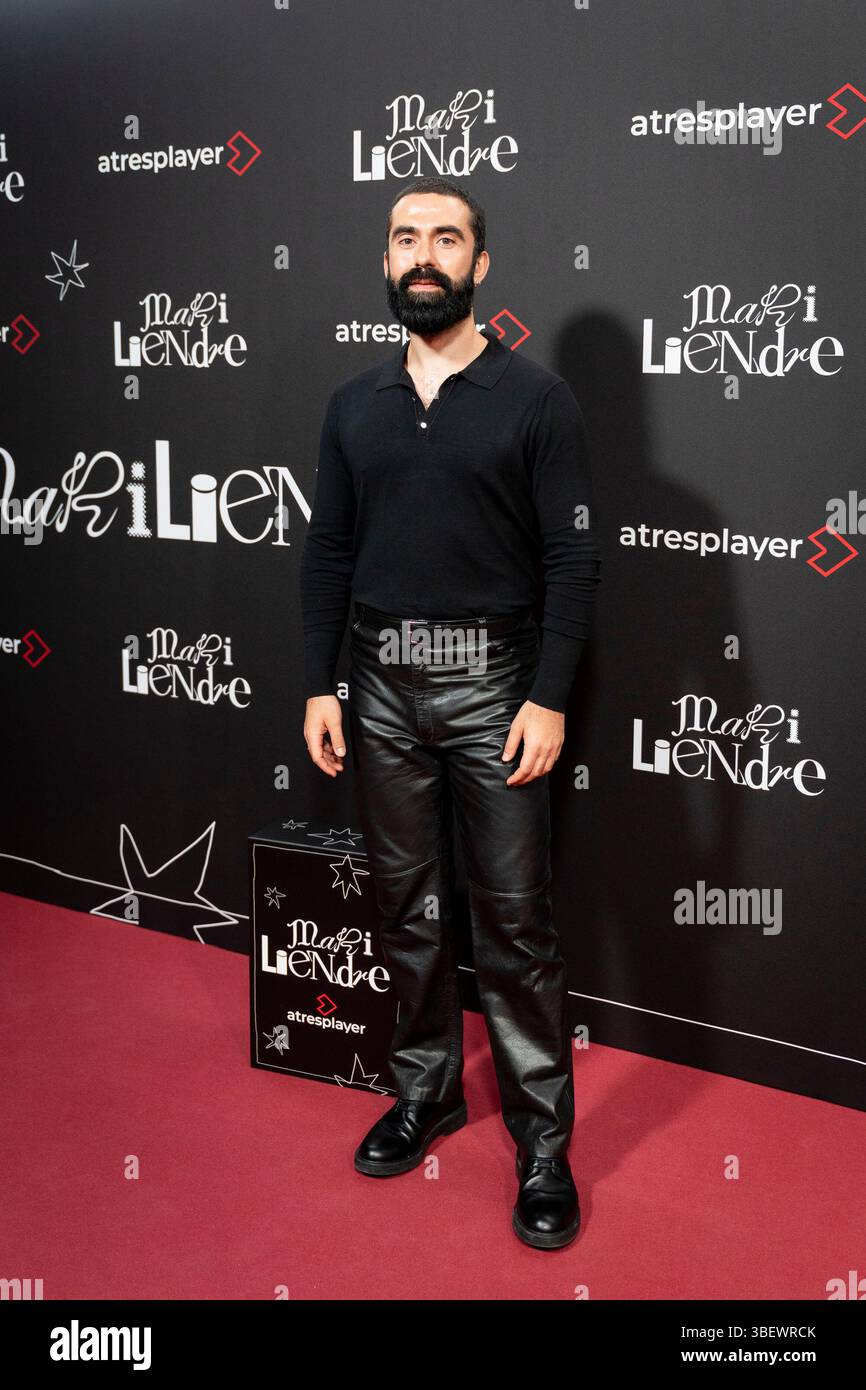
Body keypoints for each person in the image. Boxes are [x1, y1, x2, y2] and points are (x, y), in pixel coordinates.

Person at [299, 175, 601, 1249]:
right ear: (385, 263)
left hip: (492, 683)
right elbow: (327, 551)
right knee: (409, 910)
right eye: (403, 237)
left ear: (479, 266)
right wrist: (318, 681)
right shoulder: (351, 405)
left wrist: (547, 697)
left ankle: (542, 1146)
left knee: (516, 926)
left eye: (444, 238)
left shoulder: (535, 399)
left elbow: (571, 558)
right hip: (376, 684)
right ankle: (425, 1089)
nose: (421, 253)